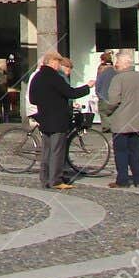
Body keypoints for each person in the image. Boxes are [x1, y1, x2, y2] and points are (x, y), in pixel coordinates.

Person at [28, 51, 90, 190]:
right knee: (57, 151)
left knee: (46, 151)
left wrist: (45, 103)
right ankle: (56, 180)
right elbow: (71, 93)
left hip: (44, 118)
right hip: (57, 119)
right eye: (57, 62)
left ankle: (45, 179)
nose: (59, 65)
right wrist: (87, 87)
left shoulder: (37, 77)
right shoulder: (54, 77)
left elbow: (33, 99)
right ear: (51, 62)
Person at [101, 48, 139, 188]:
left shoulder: (118, 78)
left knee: (121, 152)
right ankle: (138, 179)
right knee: (135, 152)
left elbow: (113, 100)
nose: (116, 64)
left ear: (123, 64)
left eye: (117, 62)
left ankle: (122, 179)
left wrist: (106, 111)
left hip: (121, 122)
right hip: (137, 120)